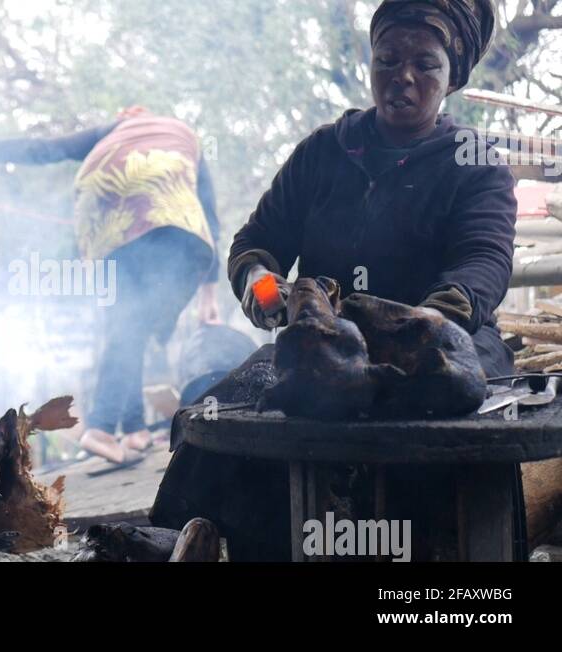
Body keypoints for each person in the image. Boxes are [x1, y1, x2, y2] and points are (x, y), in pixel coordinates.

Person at [152, 0, 516, 559]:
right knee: (222, 419)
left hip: (445, 343)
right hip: (325, 342)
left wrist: (428, 323)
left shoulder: (477, 163)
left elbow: (483, 262)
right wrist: (263, 287)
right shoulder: (325, 151)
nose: (404, 77)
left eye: (426, 64)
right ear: (370, 62)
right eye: (388, 59)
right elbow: (257, 242)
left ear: (451, 78)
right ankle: (191, 538)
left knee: (434, 424)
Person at [0, 107, 222, 464]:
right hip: (167, 209)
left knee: (128, 321)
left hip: (103, 211)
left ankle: (133, 430)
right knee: (136, 323)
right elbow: (209, 213)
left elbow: (44, 149)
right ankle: (100, 428)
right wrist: (209, 291)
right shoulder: (183, 134)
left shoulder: (111, 131)